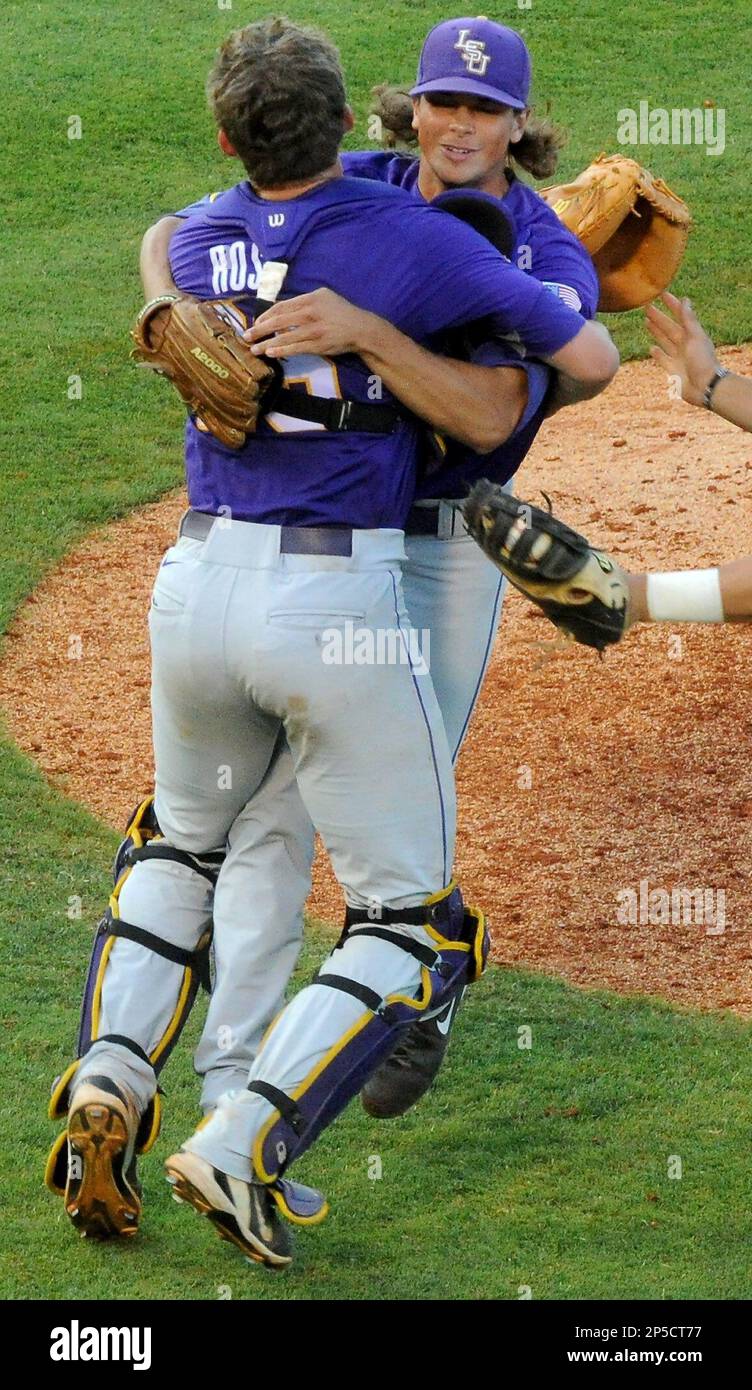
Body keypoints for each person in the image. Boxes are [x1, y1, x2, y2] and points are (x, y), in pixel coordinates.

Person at [48, 15, 616, 1265]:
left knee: (238, 829)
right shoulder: (370, 198)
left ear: (518, 123)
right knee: (292, 845)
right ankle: (243, 1106)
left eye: (480, 110)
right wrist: (164, 306)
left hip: (413, 551)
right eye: (435, 104)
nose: (455, 126)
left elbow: (570, 366)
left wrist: (358, 330)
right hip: (341, 575)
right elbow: (176, 232)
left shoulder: (531, 235)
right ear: (395, 111)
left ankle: (156, 1080)